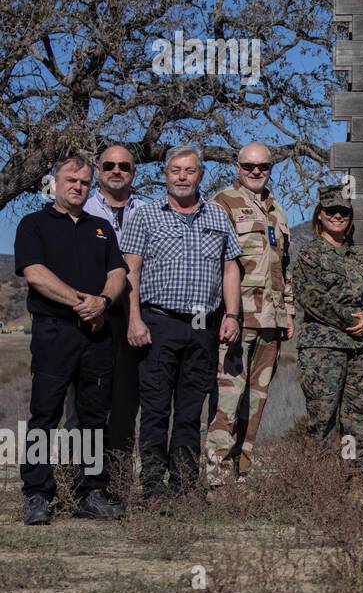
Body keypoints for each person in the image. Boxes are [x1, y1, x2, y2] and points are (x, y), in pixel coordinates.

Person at [120, 146, 241, 499]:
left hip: (203, 326)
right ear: (166, 174)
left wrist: (231, 314)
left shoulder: (218, 216)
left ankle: (185, 486)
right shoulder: (145, 216)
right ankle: (153, 487)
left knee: (190, 411)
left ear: (200, 174)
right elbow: (131, 271)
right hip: (158, 323)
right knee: (156, 409)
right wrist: (134, 320)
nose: (182, 177)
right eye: (176, 170)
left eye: (189, 170)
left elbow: (230, 267)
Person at [13, 155, 128, 524]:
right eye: (70, 180)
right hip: (53, 333)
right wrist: (82, 302)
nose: (77, 186)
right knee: (44, 414)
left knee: (94, 417)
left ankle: (90, 492)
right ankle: (37, 495)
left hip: (97, 335)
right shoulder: (34, 224)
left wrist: (104, 302)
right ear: (54, 182)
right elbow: (35, 273)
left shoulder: (101, 227)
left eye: (83, 181)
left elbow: (118, 273)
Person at [205, 143, 294, 490]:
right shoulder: (222, 204)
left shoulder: (278, 211)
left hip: (271, 322)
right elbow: (213, 266)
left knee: (257, 401)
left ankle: (242, 472)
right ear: (236, 167)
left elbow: (284, 269)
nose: (256, 172)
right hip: (237, 319)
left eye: (263, 166)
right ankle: (217, 477)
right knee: (228, 398)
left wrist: (288, 311)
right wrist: (224, 315)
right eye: (249, 166)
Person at [295, 185, 363, 503]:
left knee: (359, 417)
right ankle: (313, 484)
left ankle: (355, 479)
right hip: (324, 349)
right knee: (323, 416)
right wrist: (350, 320)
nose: (337, 216)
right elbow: (309, 296)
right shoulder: (308, 255)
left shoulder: (362, 260)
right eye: (330, 210)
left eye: (343, 212)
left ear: (350, 218)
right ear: (320, 216)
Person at [83, 144, 146, 495]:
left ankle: (118, 484)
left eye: (124, 165)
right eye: (109, 165)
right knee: (87, 403)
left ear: (134, 171)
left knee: (125, 402)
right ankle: (80, 482)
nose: (116, 170)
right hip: (92, 314)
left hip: (132, 315)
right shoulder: (83, 208)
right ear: (98, 169)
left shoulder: (150, 210)